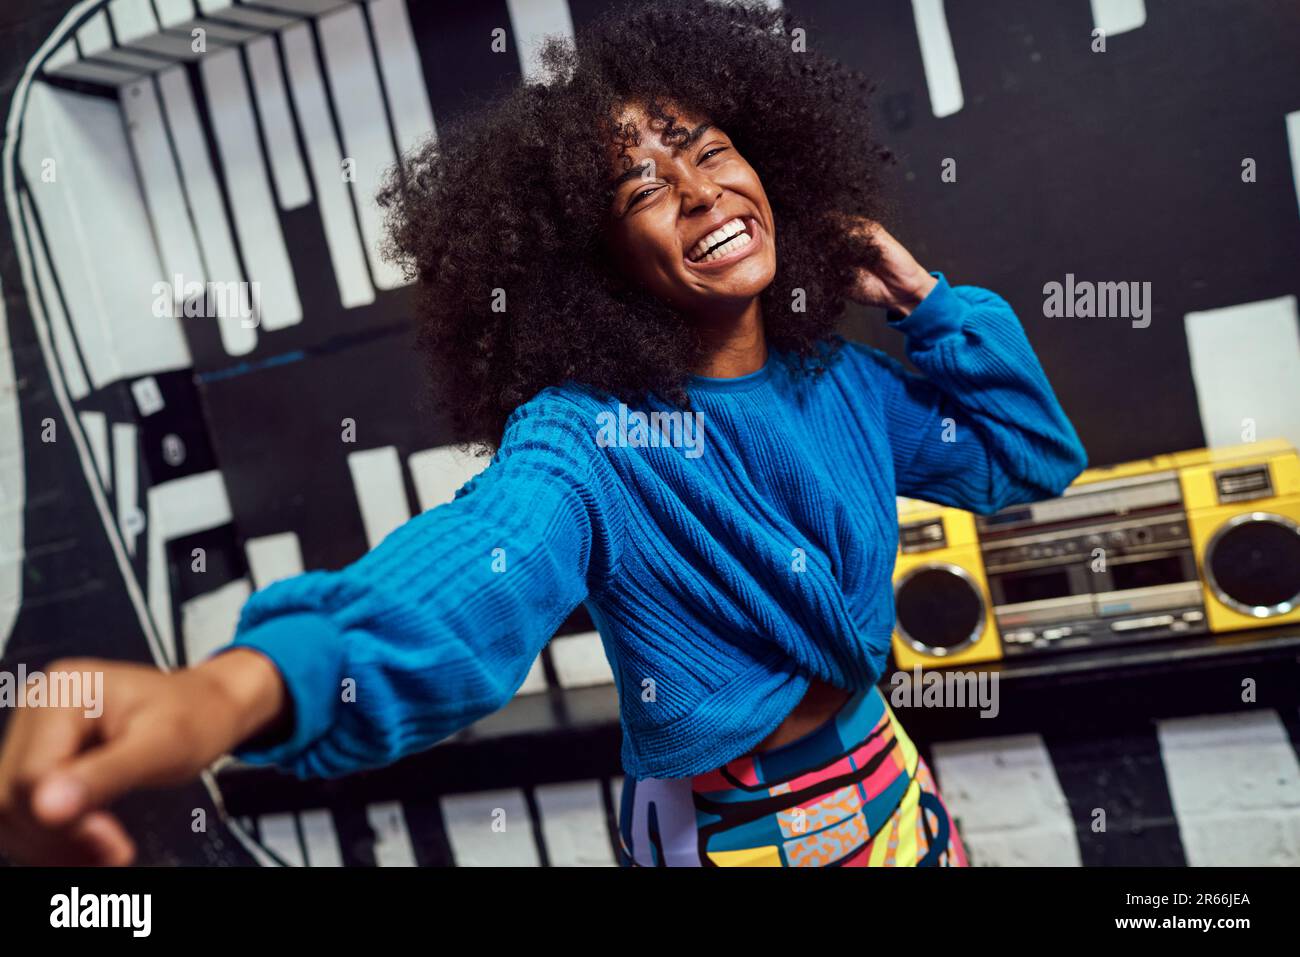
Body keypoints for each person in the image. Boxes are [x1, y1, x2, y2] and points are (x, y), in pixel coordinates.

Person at [0, 0, 1086, 867]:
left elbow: (1023, 458)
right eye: (642, 192)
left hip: (888, 780)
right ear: (594, 267)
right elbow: (471, 572)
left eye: (709, 152)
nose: (701, 193)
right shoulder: (586, 440)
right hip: (736, 830)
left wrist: (927, 300)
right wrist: (235, 688)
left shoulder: (841, 381)